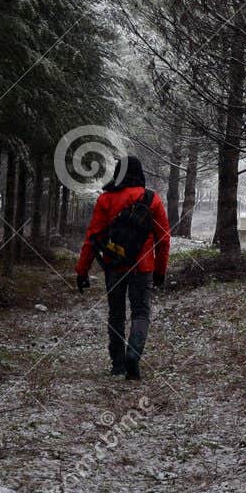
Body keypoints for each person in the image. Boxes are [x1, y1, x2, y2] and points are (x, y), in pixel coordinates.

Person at [75, 155, 171, 381]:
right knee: (141, 312)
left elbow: (92, 238)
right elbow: (164, 239)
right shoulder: (152, 199)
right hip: (143, 267)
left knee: (116, 314)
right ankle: (133, 356)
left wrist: (82, 270)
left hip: (114, 266)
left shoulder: (106, 199)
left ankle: (117, 364)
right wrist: (160, 270)